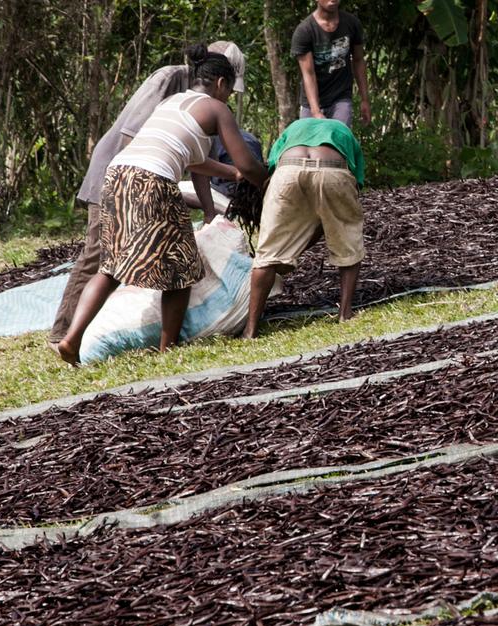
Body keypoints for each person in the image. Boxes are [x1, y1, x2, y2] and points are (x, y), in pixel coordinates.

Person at [52, 45, 266, 365]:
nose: (229, 97)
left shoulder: (172, 102)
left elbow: (194, 160)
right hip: (152, 181)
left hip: (117, 176)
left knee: (112, 267)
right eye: (230, 90)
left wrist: (228, 172)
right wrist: (265, 180)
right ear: (221, 83)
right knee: (182, 269)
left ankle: (71, 340)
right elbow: (248, 166)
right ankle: (168, 350)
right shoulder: (217, 109)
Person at [243, 118, 365, 339]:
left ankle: (250, 330)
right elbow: (355, 183)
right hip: (333, 169)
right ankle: (345, 313)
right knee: (348, 240)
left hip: (287, 171)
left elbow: (272, 169)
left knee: (267, 255)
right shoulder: (344, 131)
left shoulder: (293, 128)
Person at [292, 0, 371, 126]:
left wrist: (365, 100)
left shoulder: (351, 24)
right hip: (311, 103)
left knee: (338, 138)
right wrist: (316, 111)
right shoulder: (305, 31)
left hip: (340, 98)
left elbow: (358, 60)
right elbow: (309, 74)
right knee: (308, 142)